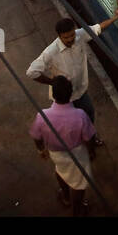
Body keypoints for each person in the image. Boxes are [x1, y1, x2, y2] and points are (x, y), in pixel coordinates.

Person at [27, 10, 118, 144]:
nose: (70, 39)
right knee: (70, 122)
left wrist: (115, 18)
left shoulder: (80, 35)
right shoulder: (50, 52)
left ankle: (90, 137)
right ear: (59, 36)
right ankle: (80, 140)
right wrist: (52, 82)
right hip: (64, 97)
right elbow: (31, 72)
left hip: (80, 91)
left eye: (72, 35)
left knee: (89, 113)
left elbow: (98, 27)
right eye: (66, 37)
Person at [29, 76, 97, 215]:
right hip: (77, 154)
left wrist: (41, 150)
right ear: (71, 93)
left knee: (60, 171)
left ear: (53, 94)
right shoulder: (80, 115)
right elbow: (89, 137)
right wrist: (91, 151)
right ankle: (76, 210)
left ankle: (65, 197)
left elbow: (36, 136)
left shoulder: (42, 116)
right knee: (79, 184)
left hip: (56, 154)